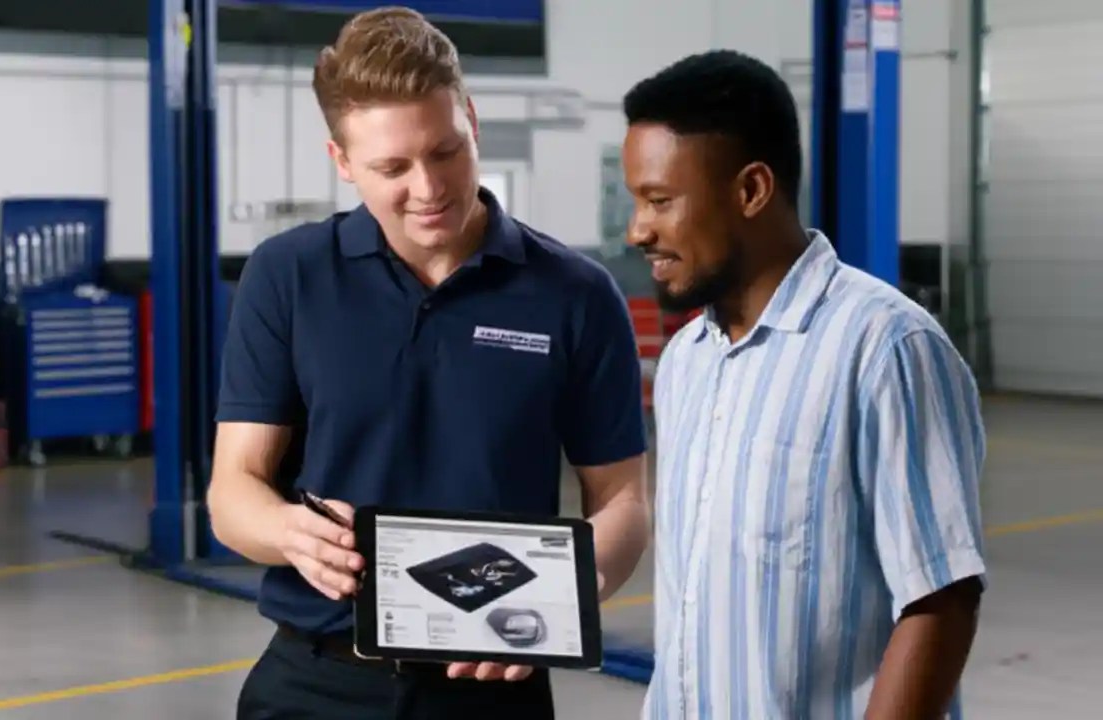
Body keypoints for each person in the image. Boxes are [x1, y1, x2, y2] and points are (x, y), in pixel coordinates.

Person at [208, 7, 651, 719]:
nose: (429, 187)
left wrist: (564, 593)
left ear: (471, 118)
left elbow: (623, 498)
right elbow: (235, 490)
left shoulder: (575, 293)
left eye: (446, 151)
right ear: (342, 162)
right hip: (315, 682)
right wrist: (289, 532)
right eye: (392, 167)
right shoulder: (287, 276)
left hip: (491, 689)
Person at [621, 50, 987, 719]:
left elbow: (940, 597)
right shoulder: (687, 362)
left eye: (660, 201)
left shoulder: (883, 349)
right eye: (636, 201)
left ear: (752, 190)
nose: (637, 229)